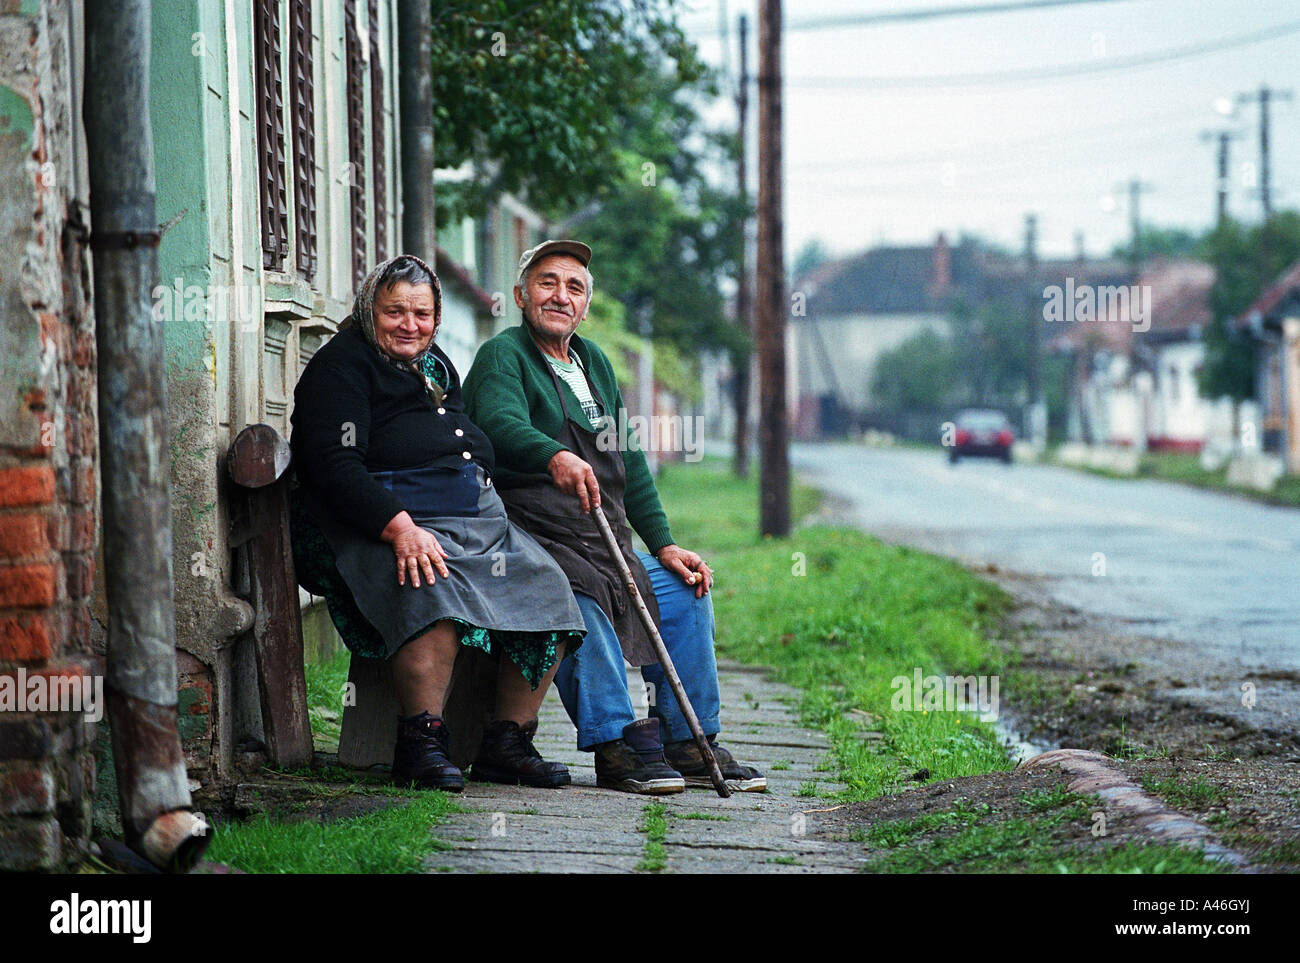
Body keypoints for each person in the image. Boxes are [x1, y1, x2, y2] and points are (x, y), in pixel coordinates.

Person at [463, 240, 765, 795]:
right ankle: (617, 743)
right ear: (520, 295)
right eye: (548, 282)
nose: (560, 295)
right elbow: (497, 422)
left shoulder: (594, 363)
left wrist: (666, 544)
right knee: (582, 605)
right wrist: (552, 455)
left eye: (574, 287)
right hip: (533, 539)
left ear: (585, 306)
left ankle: (688, 740)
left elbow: (629, 465)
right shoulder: (503, 355)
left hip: (604, 541)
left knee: (684, 592)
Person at [289, 254, 585, 793]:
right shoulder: (342, 367)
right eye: (395, 312)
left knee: (549, 588)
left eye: (422, 314)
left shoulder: (433, 364)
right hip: (380, 521)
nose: (410, 325)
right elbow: (334, 465)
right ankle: (420, 743)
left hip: (474, 520)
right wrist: (398, 526)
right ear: (368, 309)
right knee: (433, 588)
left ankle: (507, 742)